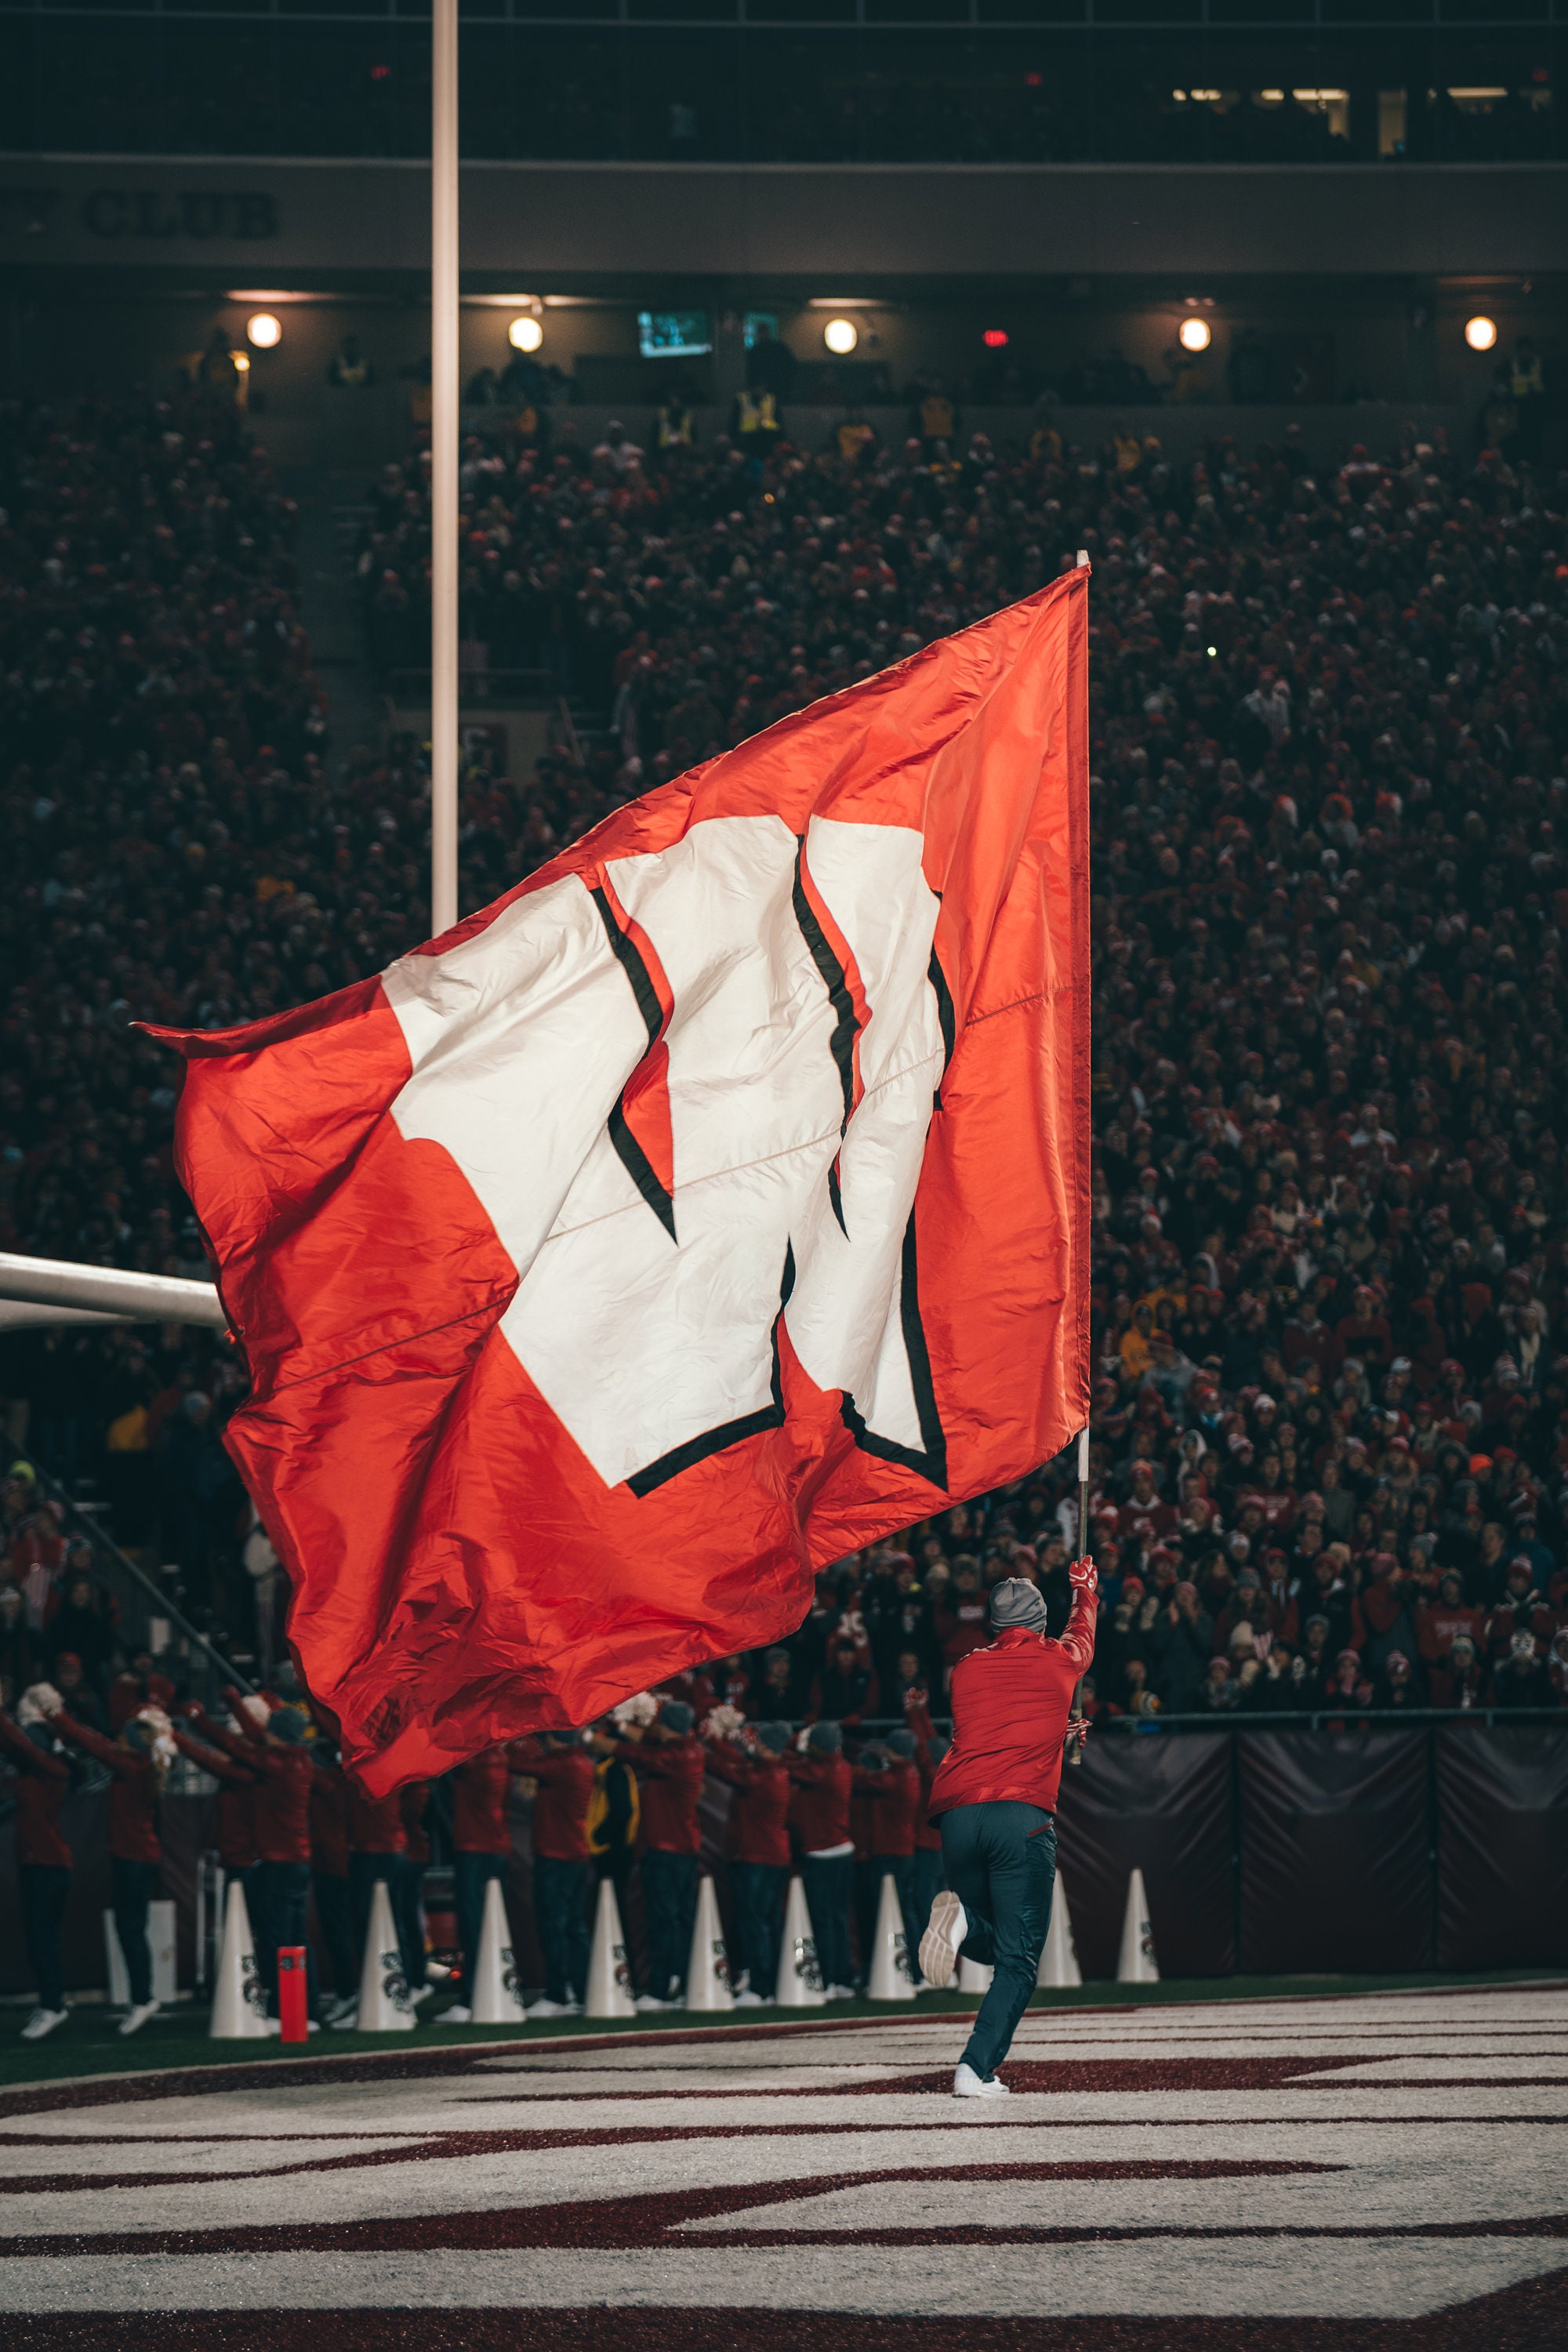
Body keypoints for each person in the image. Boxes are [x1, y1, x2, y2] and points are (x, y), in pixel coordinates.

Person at [920, 1560, 1098, 2096]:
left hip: (957, 1816)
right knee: (1019, 1960)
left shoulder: (966, 1668)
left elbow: (1002, 1722)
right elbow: (1082, 1640)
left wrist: (1054, 1731)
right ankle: (976, 2067)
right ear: (1039, 1621)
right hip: (1018, 1817)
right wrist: (1084, 1591)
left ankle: (960, 1926)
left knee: (995, 1938)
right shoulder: (1058, 1661)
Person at [45, 1695, 168, 2035]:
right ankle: (143, 1997)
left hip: (133, 1858)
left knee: (130, 1931)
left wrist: (57, 1716)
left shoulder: (132, 1766)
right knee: (132, 1930)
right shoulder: (144, 1764)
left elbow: (95, 1744)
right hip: (139, 1856)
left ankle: (142, 1999)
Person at [619, 1699, 705, 2009]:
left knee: (663, 1920)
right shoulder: (690, 1749)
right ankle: (682, 1981)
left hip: (665, 1850)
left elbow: (636, 1753)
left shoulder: (673, 1755)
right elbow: (646, 1743)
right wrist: (621, 1726)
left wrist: (594, 1737)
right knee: (680, 1920)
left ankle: (662, 1987)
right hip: (685, 1848)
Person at [703, 1719, 791, 2004]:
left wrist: (701, 1745)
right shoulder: (773, 1770)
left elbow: (727, 1770)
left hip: (759, 1859)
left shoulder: (764, 1777)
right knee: (765, 1924)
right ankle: (769, 1981)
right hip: (772, 1858)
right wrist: (716, 1740)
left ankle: (761, 1988)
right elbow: (737, 1763)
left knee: (756, 1924)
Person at [0, 1695, 72, 2039]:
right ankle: (51, 2001)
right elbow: (14, 1746)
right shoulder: (34, 1769)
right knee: (38, 1940)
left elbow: (21, 1746)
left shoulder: (51, 1768)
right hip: (35, 1864)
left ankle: (54, 2006)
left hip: (50, 1866)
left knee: (45, 1939)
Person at [510, 1730, 594, 2016]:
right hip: (575, 1855)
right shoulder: (581, 1761)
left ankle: (558, 1994)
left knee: (553, 1927)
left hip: (556, 1856)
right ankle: (580, 1991)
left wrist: (506, 1741)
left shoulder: (564, 1764)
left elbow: (519, 1766)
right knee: (574, 1928)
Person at [444, 1741, 515, 2023]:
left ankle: (472, 1996)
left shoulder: (471, 1762)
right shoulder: (502, 1758)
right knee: (493, 1926)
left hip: (474, 1850)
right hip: (497, 1847)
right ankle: (498, 1988)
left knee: (473, 1928)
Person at [786, 1719, 855, 1999]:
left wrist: (792, 1743)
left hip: (822, 1854)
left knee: (824, 1920)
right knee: (838, 1919)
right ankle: (843, 1979)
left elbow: (787, 1765)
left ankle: (828, 1979)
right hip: (841, 1851)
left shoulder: (820, 1771)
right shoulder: (842, 1766)